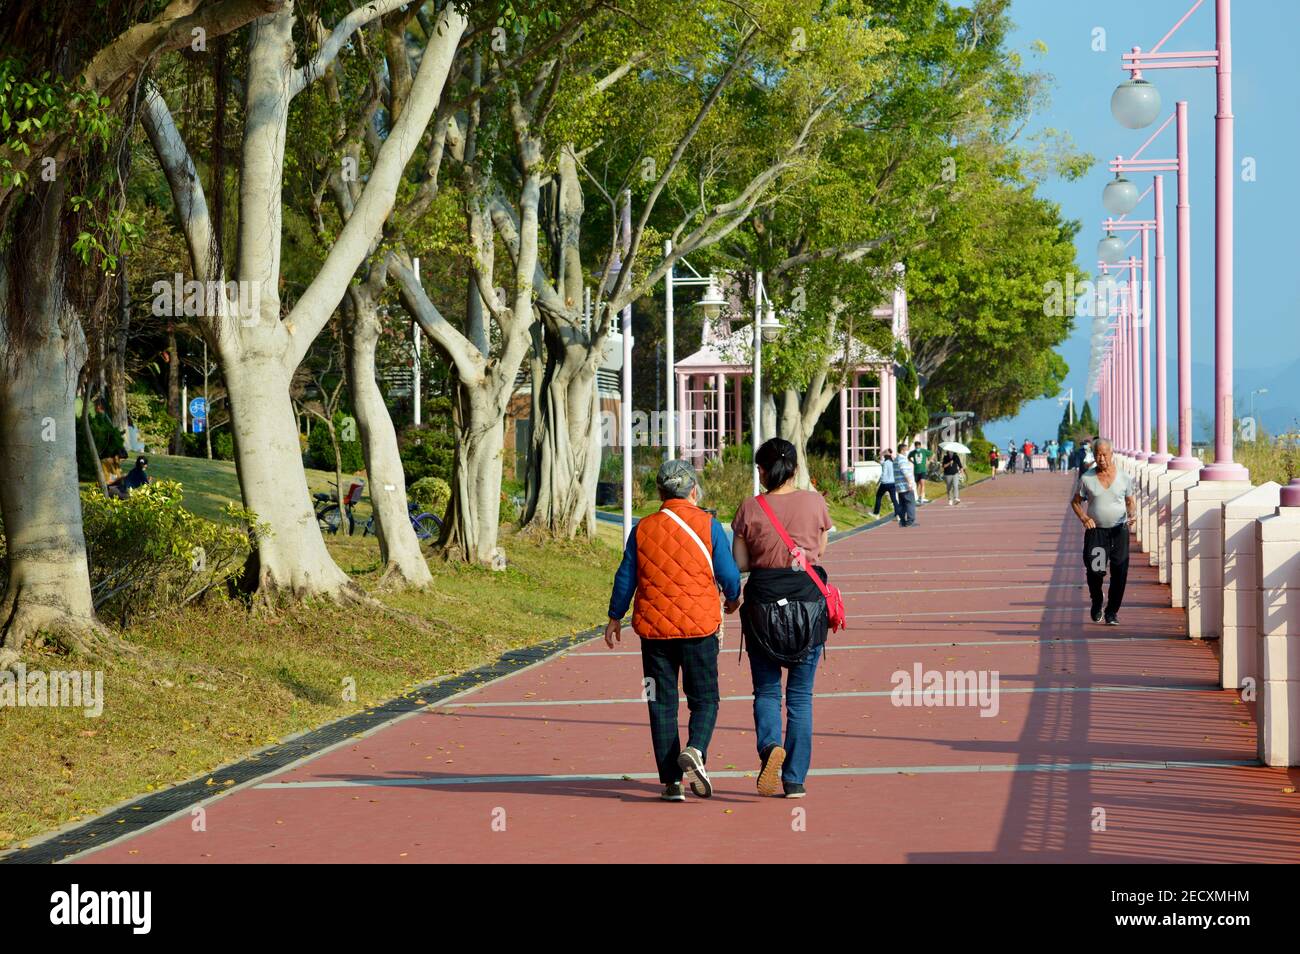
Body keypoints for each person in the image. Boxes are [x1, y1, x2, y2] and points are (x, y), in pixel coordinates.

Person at [605, 460, 742, 801]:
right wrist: (734, 598)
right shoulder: (709, 525)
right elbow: (728, 573)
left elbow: (626, 577)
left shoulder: (643, 528)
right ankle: (696, 749)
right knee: (705, 698)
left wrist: (614, 616)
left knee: (661, 703)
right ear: (693, 490)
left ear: (659, 492)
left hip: (654, 634)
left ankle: (671, 782)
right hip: (700, 628)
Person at [732, 439, 832, 799]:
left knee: (768, 691)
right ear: (794, 469)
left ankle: (770, 746)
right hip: (808, 606)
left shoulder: (749, 507)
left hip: (763, 608)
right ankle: (794, 780)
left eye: (759, 468)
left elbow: (741, 563)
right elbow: (818, 552)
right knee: (801, 696)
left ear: (765, 469)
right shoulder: (815, 502)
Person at [1070, 439, 1136, 626]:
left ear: (1111, 454)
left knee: (1119, 572)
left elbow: (1130, 501)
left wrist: (1132, 515)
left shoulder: (1124, 477)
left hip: (1118, 532)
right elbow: (1075, 502)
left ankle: (1112, 612)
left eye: (1104, 454)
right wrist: (1084, 518)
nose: (1101, 458)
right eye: (1098, 454)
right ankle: (1097, 601)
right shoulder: (1087, 478)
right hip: (1097, 533)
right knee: (1096, 571)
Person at [892, 443, 918, 527]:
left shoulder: (896, 459)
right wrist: (910, 483)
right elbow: (905, 471)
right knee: (910, 503)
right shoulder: (902, 459)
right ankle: (910, 521)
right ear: (902, 450)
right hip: (905, 485)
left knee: (902, 504)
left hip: (900, 486)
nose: (907, 451)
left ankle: (903, 521)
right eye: (906, 450)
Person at [871, 448, 897, 517]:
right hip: (892, 483)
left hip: (885, 483)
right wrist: (887, 453)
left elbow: (883, 474)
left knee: (878, 497)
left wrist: (880, 454)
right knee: (894, 499)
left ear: (885, 457)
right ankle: (898, 514)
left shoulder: (885, 463)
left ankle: (876, 514)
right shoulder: (893, 463)